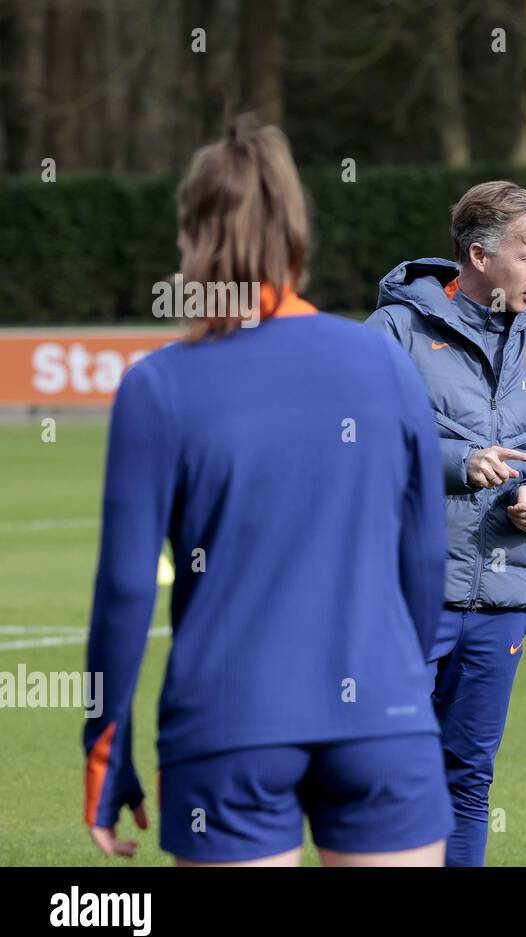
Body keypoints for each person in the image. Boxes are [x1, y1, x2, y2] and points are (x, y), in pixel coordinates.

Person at [83, 119, 450, 866]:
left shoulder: (158, 385)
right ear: (296, 231)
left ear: (192, 238)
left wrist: (103, 746)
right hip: (385, 717)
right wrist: (397, 690)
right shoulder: (384, 365)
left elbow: (125, 590)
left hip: (229, 726)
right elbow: (426, 558)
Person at [366, 181, 526, 867]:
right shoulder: (395, 332)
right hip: (407, 597)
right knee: (389, 777)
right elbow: (356, 444)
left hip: (501, 607)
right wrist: (459, 463)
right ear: (481, 254)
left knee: (469, 778)